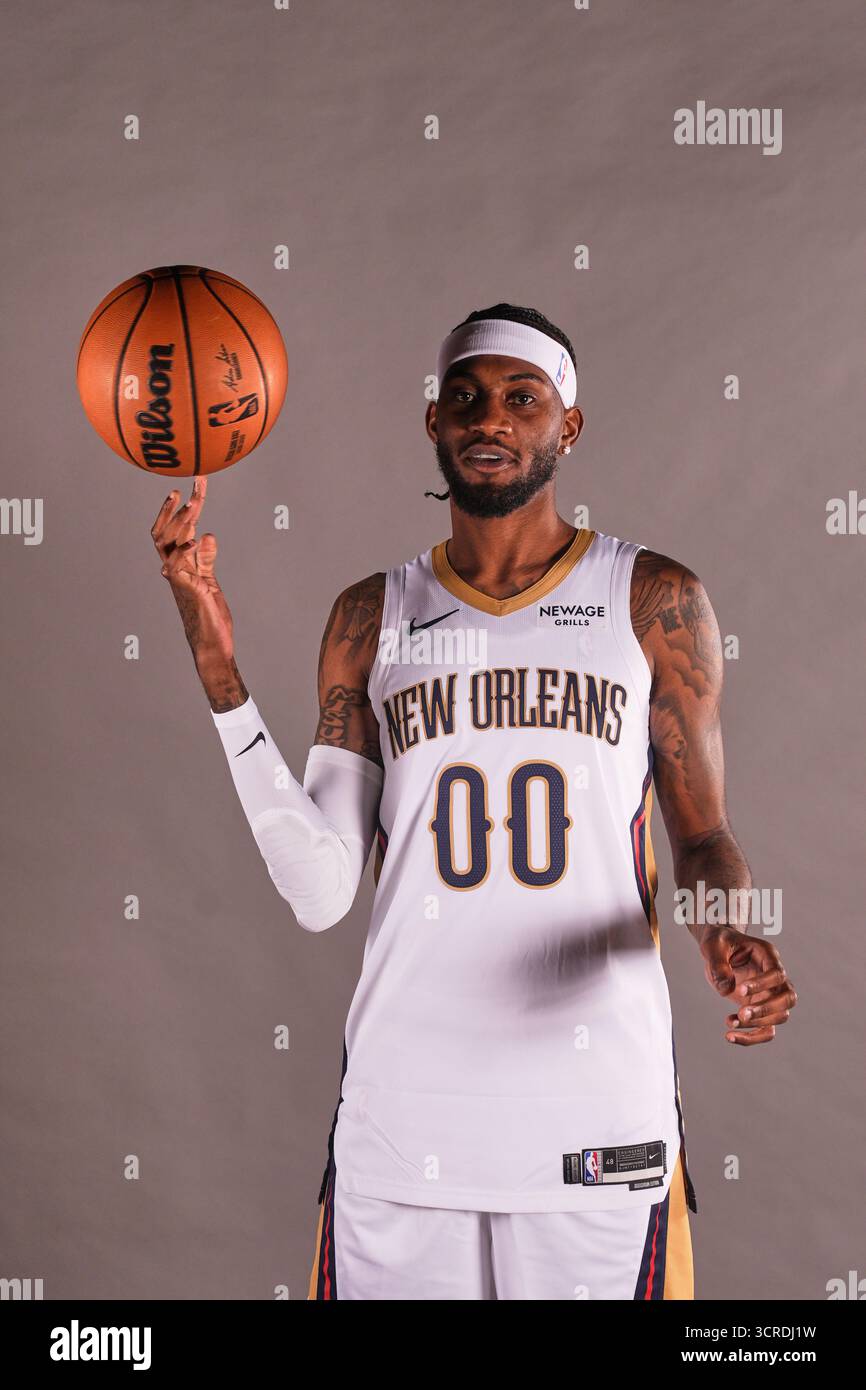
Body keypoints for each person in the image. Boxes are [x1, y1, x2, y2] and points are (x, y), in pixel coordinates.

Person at [151, 303, 797, 1301]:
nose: (487, 418)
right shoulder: (371, 617)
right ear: (433, 424)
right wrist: (218, 667)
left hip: (595, 1121)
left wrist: (725, 935)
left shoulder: (650, 598)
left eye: (519, 397)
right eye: (463, 397)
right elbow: (321, 890)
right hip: (404, 1126)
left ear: (567, 426)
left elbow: (700, 834)